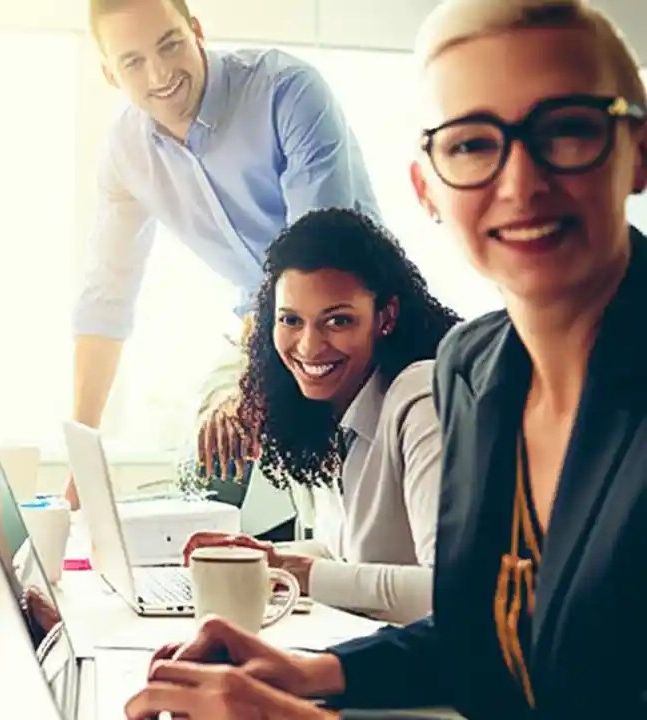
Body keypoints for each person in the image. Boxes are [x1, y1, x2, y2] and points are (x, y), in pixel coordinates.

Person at [124, 0, 647, 717]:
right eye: (471, 143)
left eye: (567, 131)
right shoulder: (474, 368)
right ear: (425, 188)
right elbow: (481, 636)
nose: (521, 183)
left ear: (638, 150)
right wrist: (308, 673)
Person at [67, 0, 380, 508]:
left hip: (352, 318)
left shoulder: (287, 91)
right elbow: (106, 295)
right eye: (133, 61)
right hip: (262, 325)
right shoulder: (126, 151)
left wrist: (247, 384)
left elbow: (313, 261)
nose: (161, 73)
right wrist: (82, 457)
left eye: (169, 45)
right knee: (208, 452)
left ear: (195, 31)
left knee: (363, 511)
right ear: (109, 72)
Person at [182, 208, 460, 624]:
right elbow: (348, 555)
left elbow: (455, 592)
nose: (310, 347)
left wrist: (303, 573)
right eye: (291, 320)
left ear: (386, 317)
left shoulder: (421, 397)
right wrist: (263, 559)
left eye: (338, 320)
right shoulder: (332, 412)